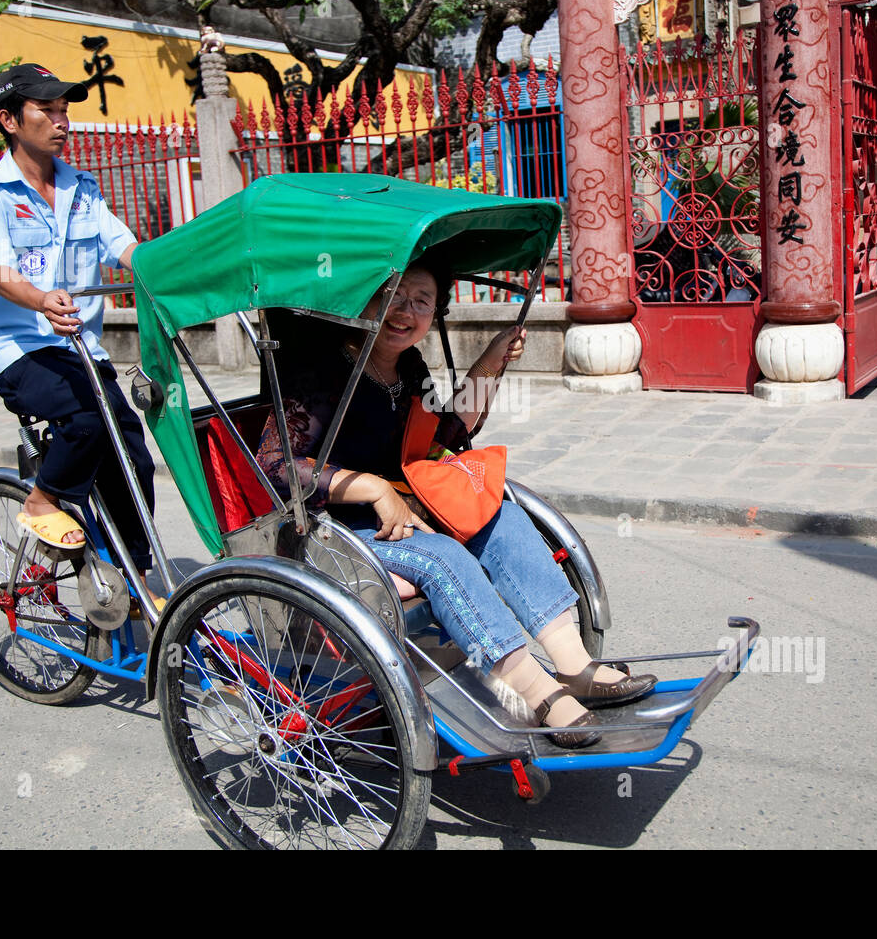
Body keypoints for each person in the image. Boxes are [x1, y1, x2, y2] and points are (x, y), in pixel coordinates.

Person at [256, 259, 657, 748]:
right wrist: (374, 489)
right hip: (335, 531)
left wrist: (491, 361)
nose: (406, 311)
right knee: (443, 557)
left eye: (421, 301)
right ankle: (537, 693)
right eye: (393, 295)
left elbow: (443, 438)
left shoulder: (409, 367)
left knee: (502, 516)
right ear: (363, 298)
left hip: (411, 513)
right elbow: (277, 465)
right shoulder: (320, 370)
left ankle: (573, 666)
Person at [0, 63, 157, 592]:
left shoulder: (82, 188)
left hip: (78, 346)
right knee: (85, 423)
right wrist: (40, 299)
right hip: (17, 347)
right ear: (9, 120)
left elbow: (125, 248)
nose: (60, 120)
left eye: (64, 110)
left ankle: (131, 575)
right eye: (45, 110)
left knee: (131, 451)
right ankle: (43, 498)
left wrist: (174, 268)